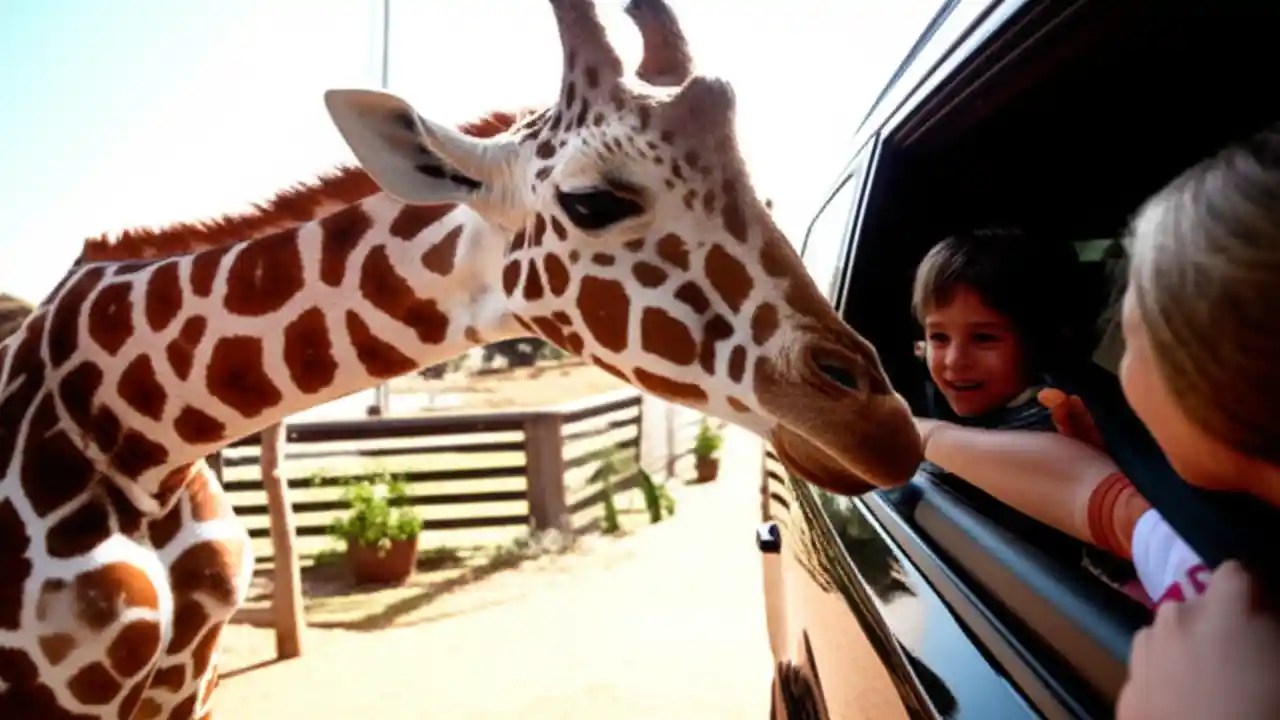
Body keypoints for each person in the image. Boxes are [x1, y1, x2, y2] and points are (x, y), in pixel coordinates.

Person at [919, 121, 1280, 718]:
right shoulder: (1191, 523)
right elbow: (1090, 494)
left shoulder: (1229, 651)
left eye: (1127, 339)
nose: (1103, 366)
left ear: (1210, 368)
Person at [909, 227, 1140, 592]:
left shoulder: (1055, 422)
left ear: (1038, 342)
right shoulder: (1003, 409)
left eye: (984, 338)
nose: (954, 361)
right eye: (938, 337)